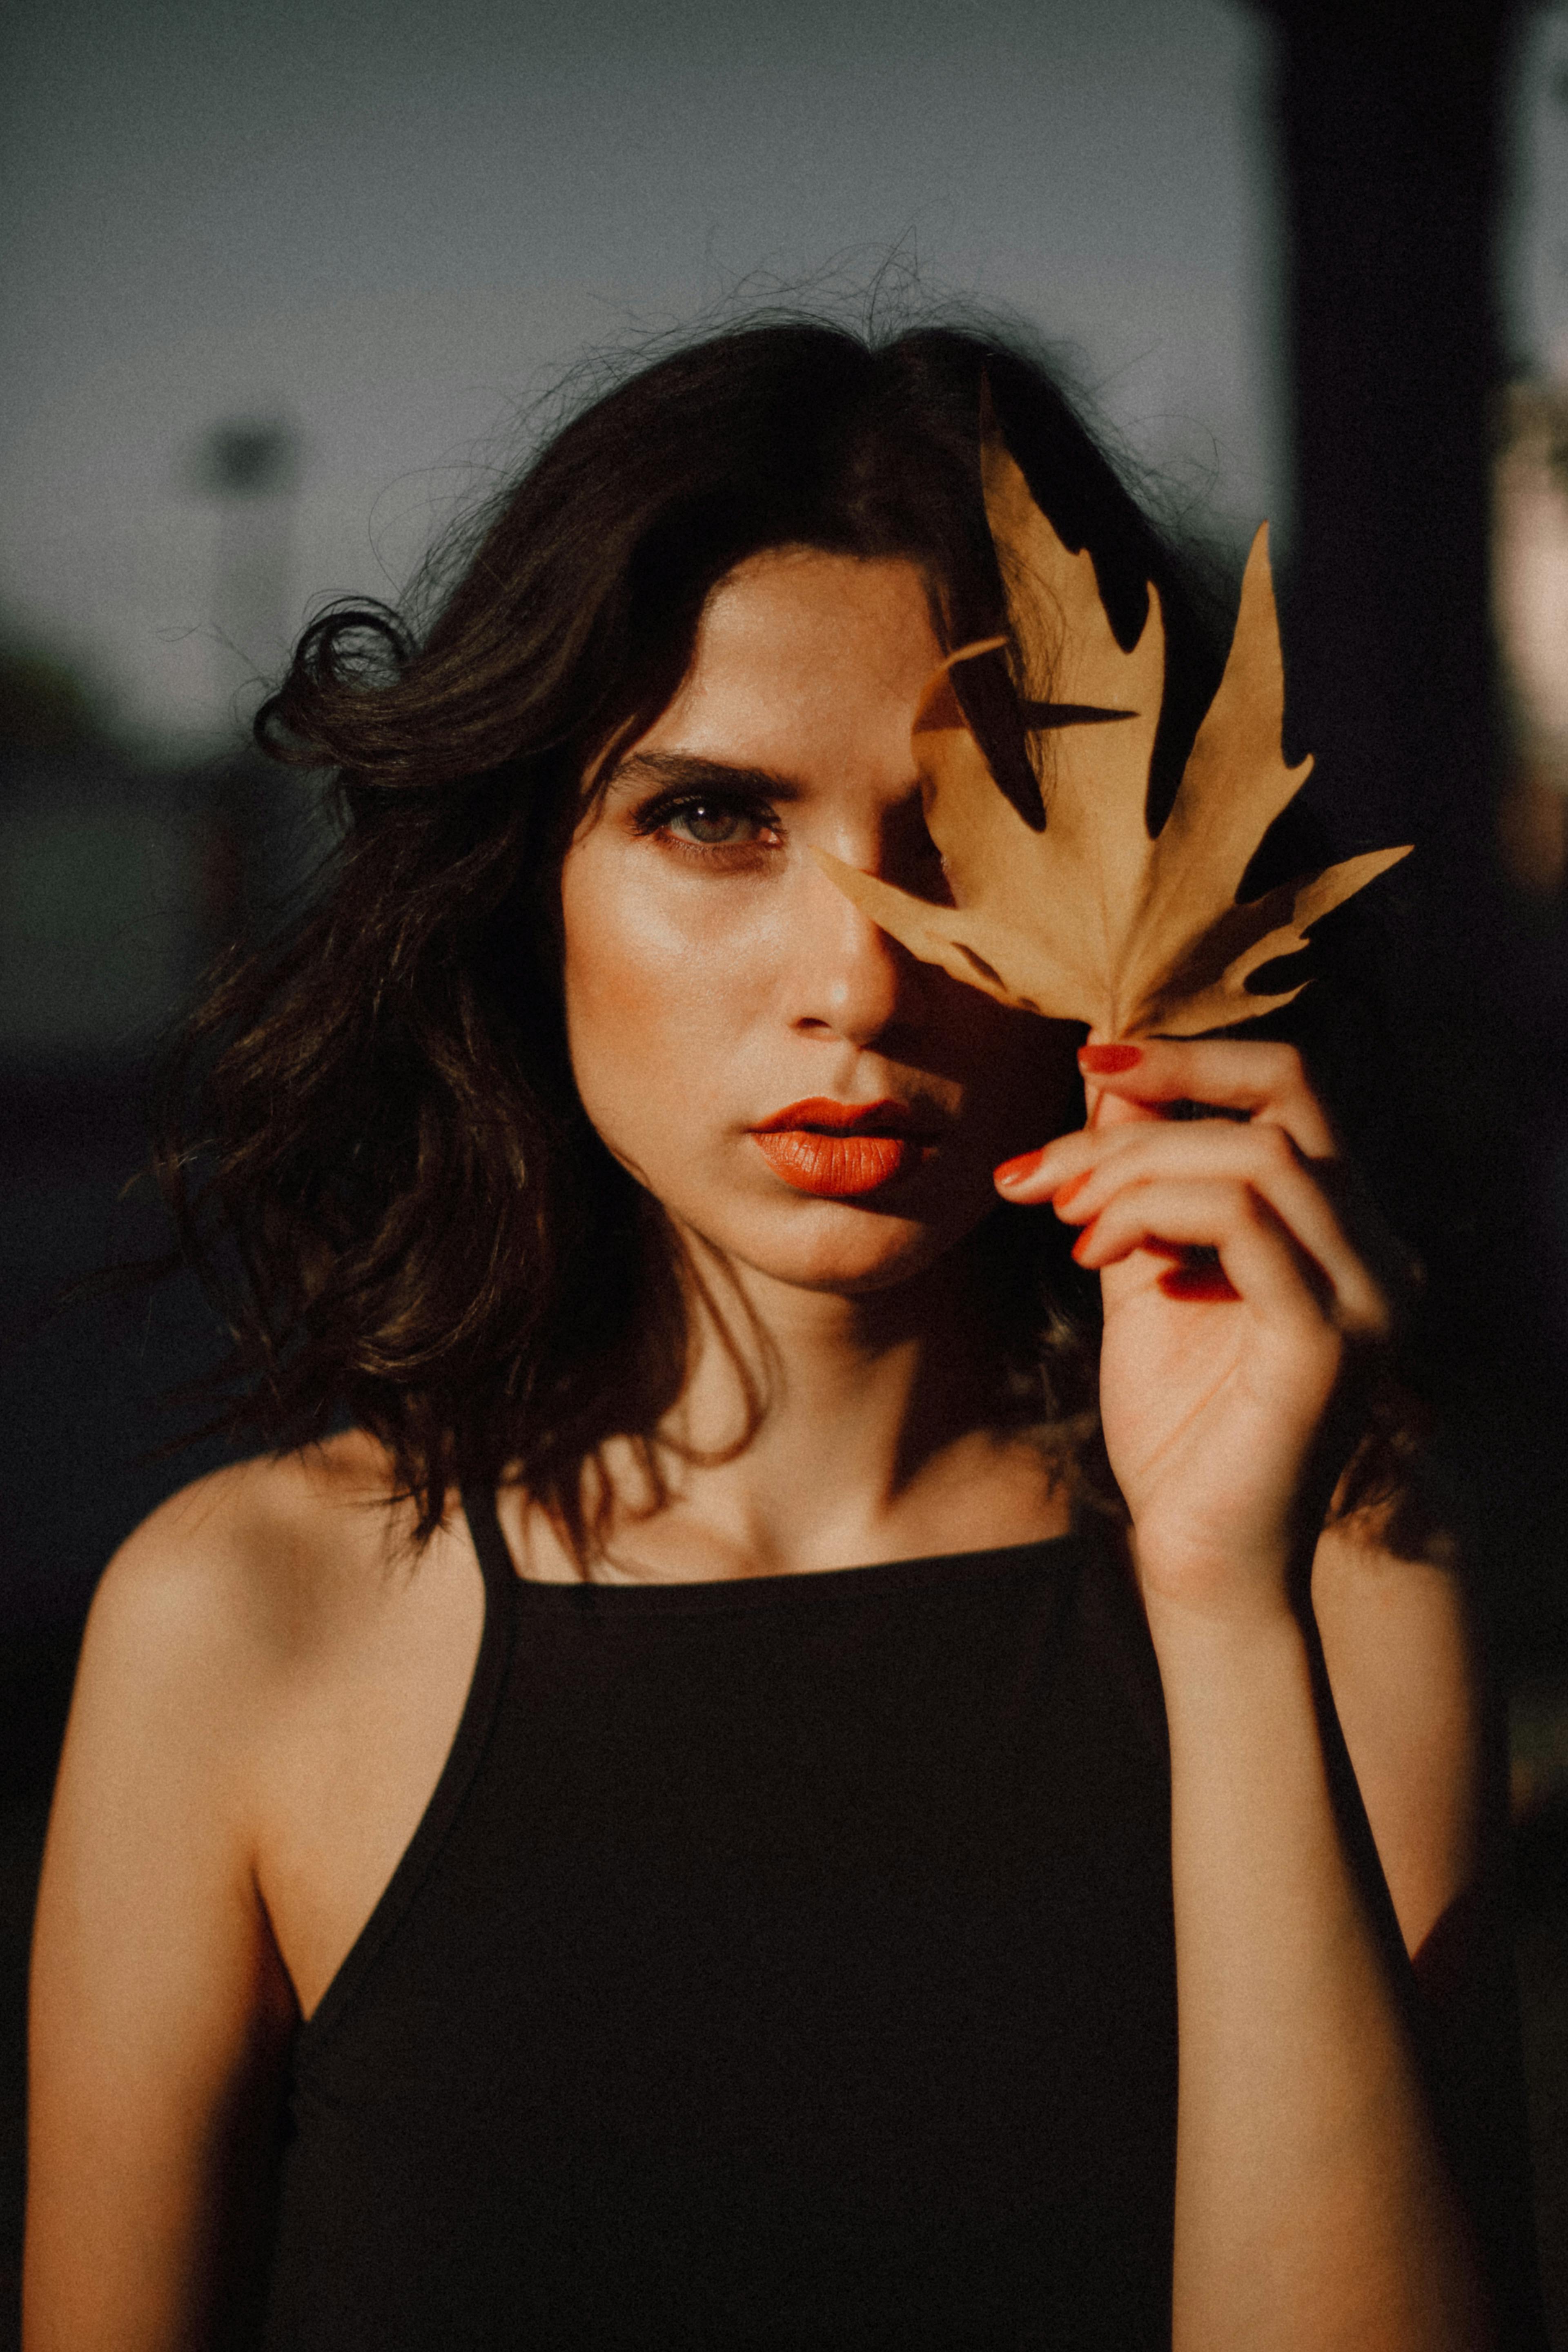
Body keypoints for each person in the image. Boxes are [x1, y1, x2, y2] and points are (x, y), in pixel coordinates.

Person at [23, 319, 1546, 2350]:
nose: (858, 977)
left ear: (1150, 902)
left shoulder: (1338, 1582)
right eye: (718, 819)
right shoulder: (244, 1621)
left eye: (983, 836)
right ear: (524, 876)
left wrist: (1220, 1595)